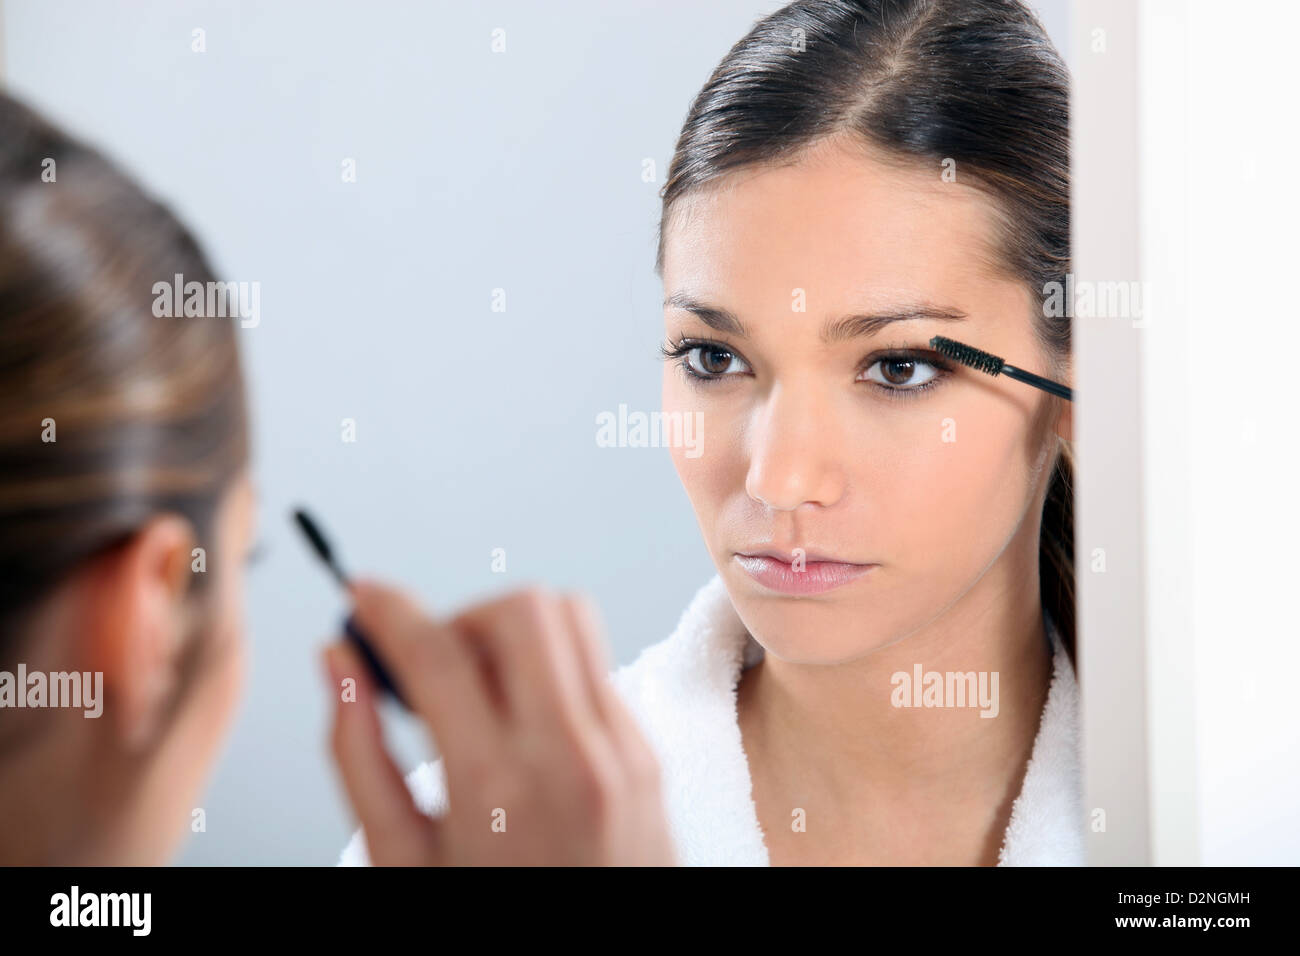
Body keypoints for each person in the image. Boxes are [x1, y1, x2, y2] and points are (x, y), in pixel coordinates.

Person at [338, 0, 1082, 866]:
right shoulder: (474, 844)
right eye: (714, 358)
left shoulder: (1239, 823)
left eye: (898, 368)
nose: (777, 477)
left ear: (1076, 379)